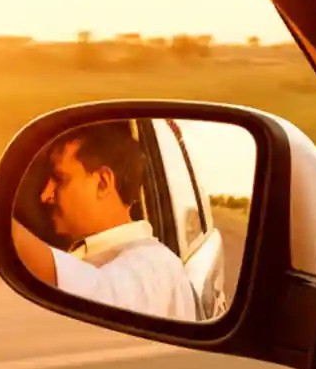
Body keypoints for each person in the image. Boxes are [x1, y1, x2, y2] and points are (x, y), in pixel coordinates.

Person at [11, 121, 199, 321]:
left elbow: (101, 296)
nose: (45, 195)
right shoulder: (96, 255)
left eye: (60, 178)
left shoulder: (154, 268)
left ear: (102, 183)